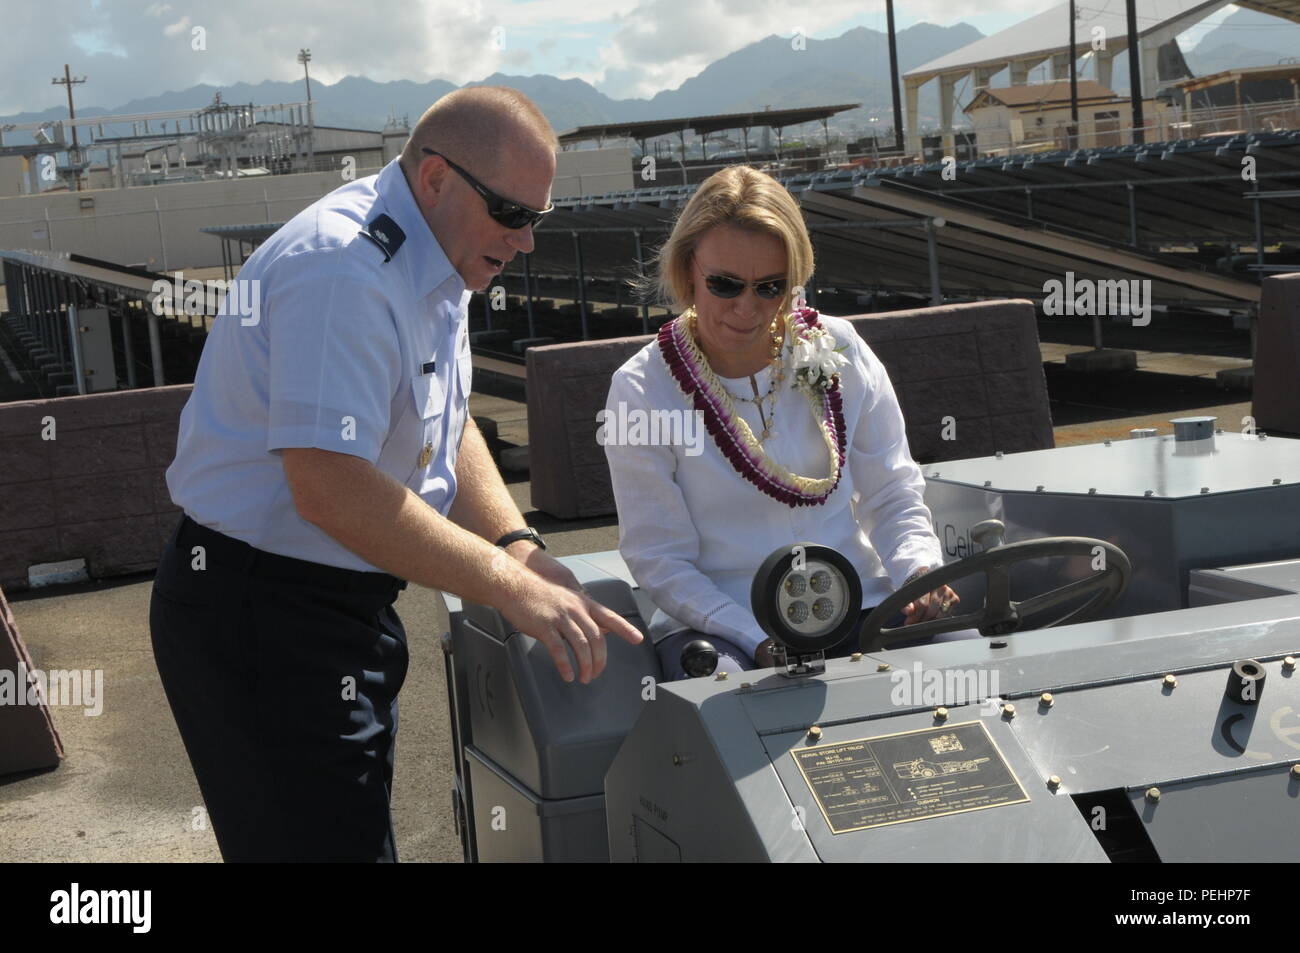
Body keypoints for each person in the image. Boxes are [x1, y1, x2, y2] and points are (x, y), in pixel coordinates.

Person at [150, 86, 642, 862]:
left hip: (334, 604)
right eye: (511, 213)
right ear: (437, 178)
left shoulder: (435, 254)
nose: (525, 242)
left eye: (537, 220)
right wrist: (507, 587)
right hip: (266, 613)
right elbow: (331, 487)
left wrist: (516, 546)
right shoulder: (343, 271)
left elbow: (445, 425)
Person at [603, 164, 957, 680]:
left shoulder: (841, 347)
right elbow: (659, 558)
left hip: (857, 600)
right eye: (725, 285)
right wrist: (756, 637)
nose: (747, 309)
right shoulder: (641, 389)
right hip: (724, 624)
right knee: (729, 699)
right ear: (686, 271)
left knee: (965, 665)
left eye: (771, 287)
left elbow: (892, 494)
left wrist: (917, 572)